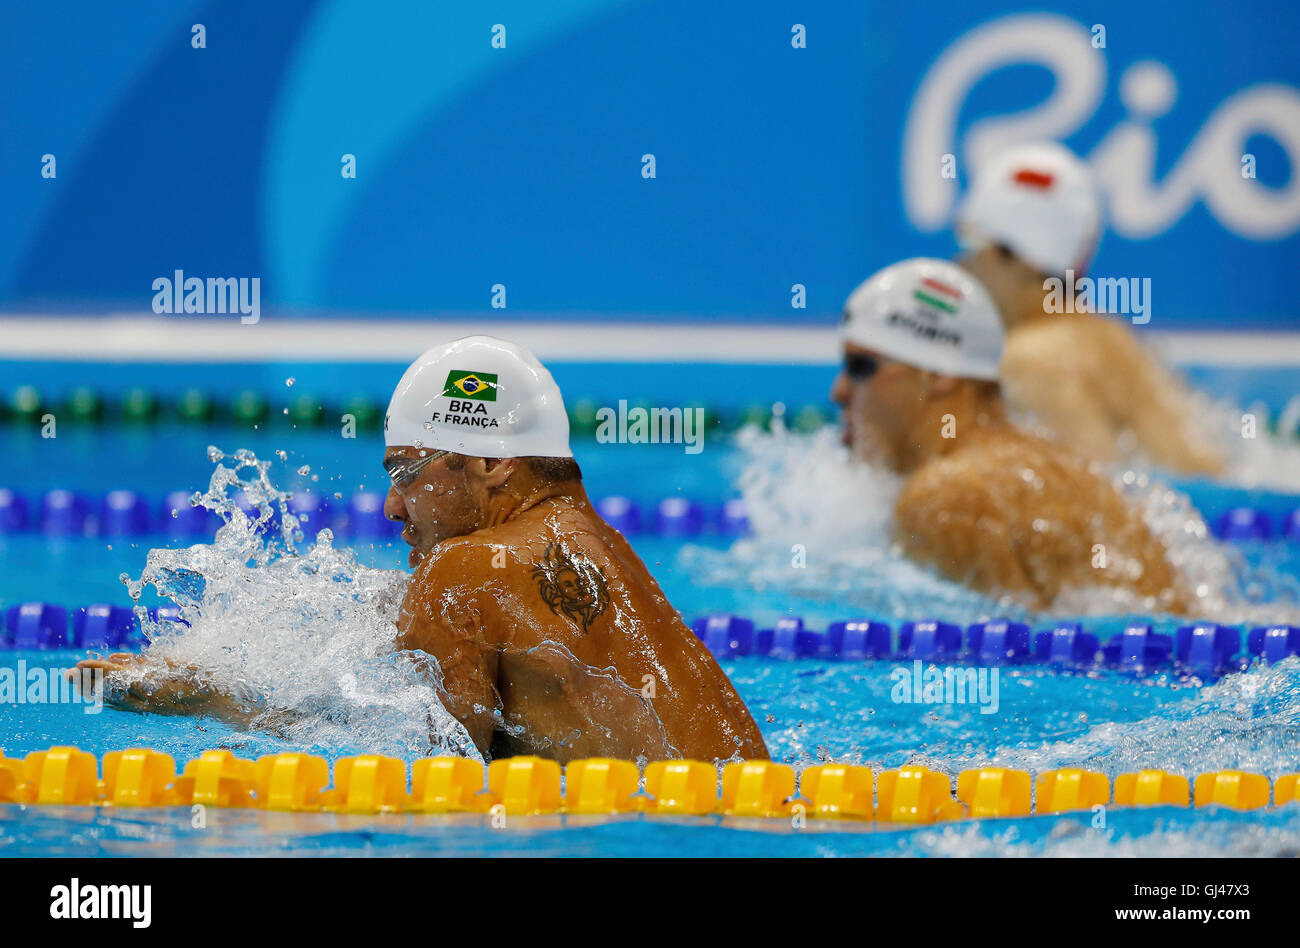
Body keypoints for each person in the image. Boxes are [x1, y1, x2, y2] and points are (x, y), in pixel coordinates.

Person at [77, 335, 768, 765]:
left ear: (496, 465)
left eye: (408, 472)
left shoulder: (461, 573)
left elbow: (434, 785)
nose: (392, 507)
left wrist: (212, 700)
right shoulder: (601, 548)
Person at [831, 257, 1191, 613]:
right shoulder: (1048, 460)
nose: (840, 391)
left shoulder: (944, 496)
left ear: (939, 373)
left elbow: (1015, 654)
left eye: (860, 367)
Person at [955, 141, 1223, 474]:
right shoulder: (1115, 340)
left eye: (970, 242)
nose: (960, 264)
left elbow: (1102, 498)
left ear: (1020, 257)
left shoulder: (1030, 359)